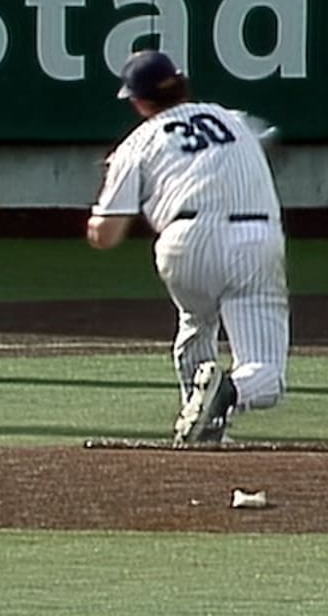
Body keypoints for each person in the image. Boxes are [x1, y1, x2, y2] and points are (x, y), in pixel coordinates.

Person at [86, 49, 290, 445]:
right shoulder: (233, 118)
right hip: (255, 241)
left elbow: (106, 236)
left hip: (185, 245)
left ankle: (198, 421)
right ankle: (231, 393)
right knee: (266, 375)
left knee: (197, 322)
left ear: (138, 101)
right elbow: (271, 138)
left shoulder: (137, 143)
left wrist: (101, 208)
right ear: (183, 85)